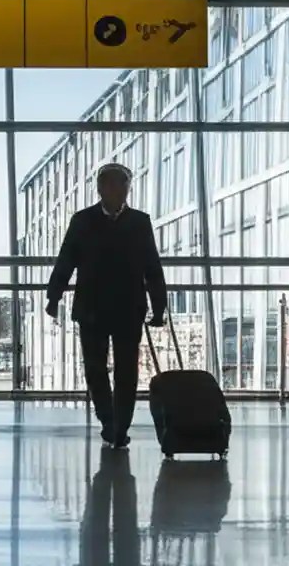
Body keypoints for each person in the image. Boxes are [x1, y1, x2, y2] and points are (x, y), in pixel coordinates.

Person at [46, 162, 167, 449]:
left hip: (128, 308)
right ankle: (108, 420)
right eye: (113, 184)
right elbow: (67, 260)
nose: (119, 190)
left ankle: (120, 425)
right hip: (92, 309)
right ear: (100, 189)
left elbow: (152, 266)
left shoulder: (140, 221)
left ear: (128, 189)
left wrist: (159, 306)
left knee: (127, 371)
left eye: (123, 184)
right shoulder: (82, 220)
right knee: (95, 369)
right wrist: (54, 296)